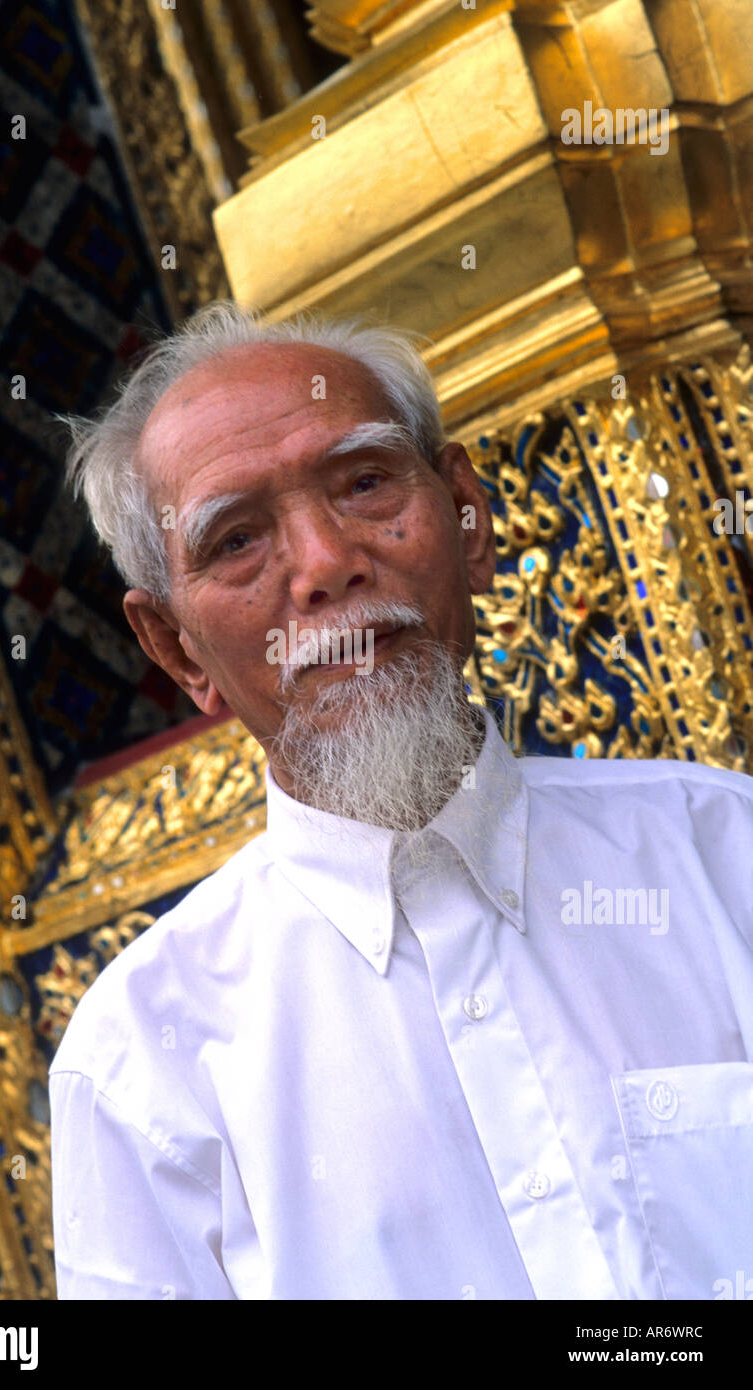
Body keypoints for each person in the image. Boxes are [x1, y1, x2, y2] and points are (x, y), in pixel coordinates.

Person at [49, 300, 753, 1300]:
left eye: (365, 482)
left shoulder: (723, 855)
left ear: (468, 519)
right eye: (237, 539)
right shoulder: (141, 1066)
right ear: (175, 650)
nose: (327, 563)